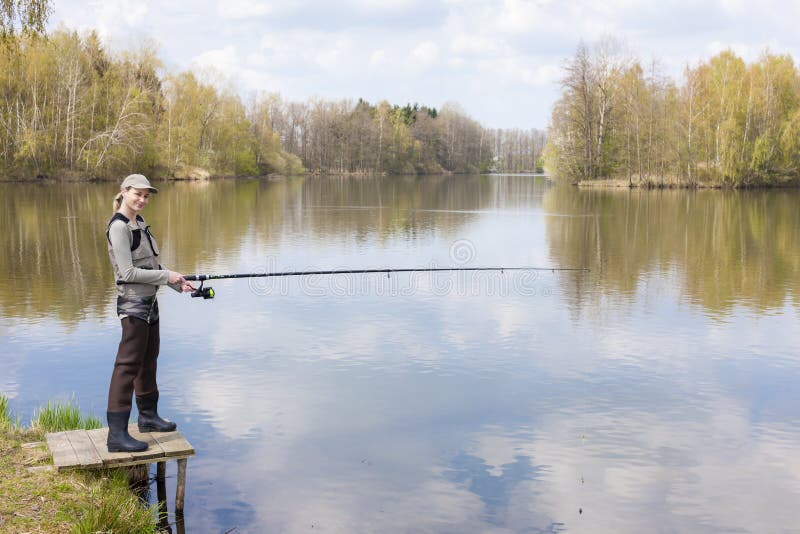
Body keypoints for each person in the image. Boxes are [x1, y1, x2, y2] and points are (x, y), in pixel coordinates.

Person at [105, 174, 195, 452]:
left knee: (149, 360)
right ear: (124, 192)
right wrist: (166, 275)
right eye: (137, 194)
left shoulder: (140, 223)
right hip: (132, 306)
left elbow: (152, 264)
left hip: (150, 304)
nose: (142, 200)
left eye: (146, 196)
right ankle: (117, 435)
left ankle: (148, 417)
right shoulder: (119, 227)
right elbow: (128, 272)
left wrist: (178, 284)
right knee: (127, 366)